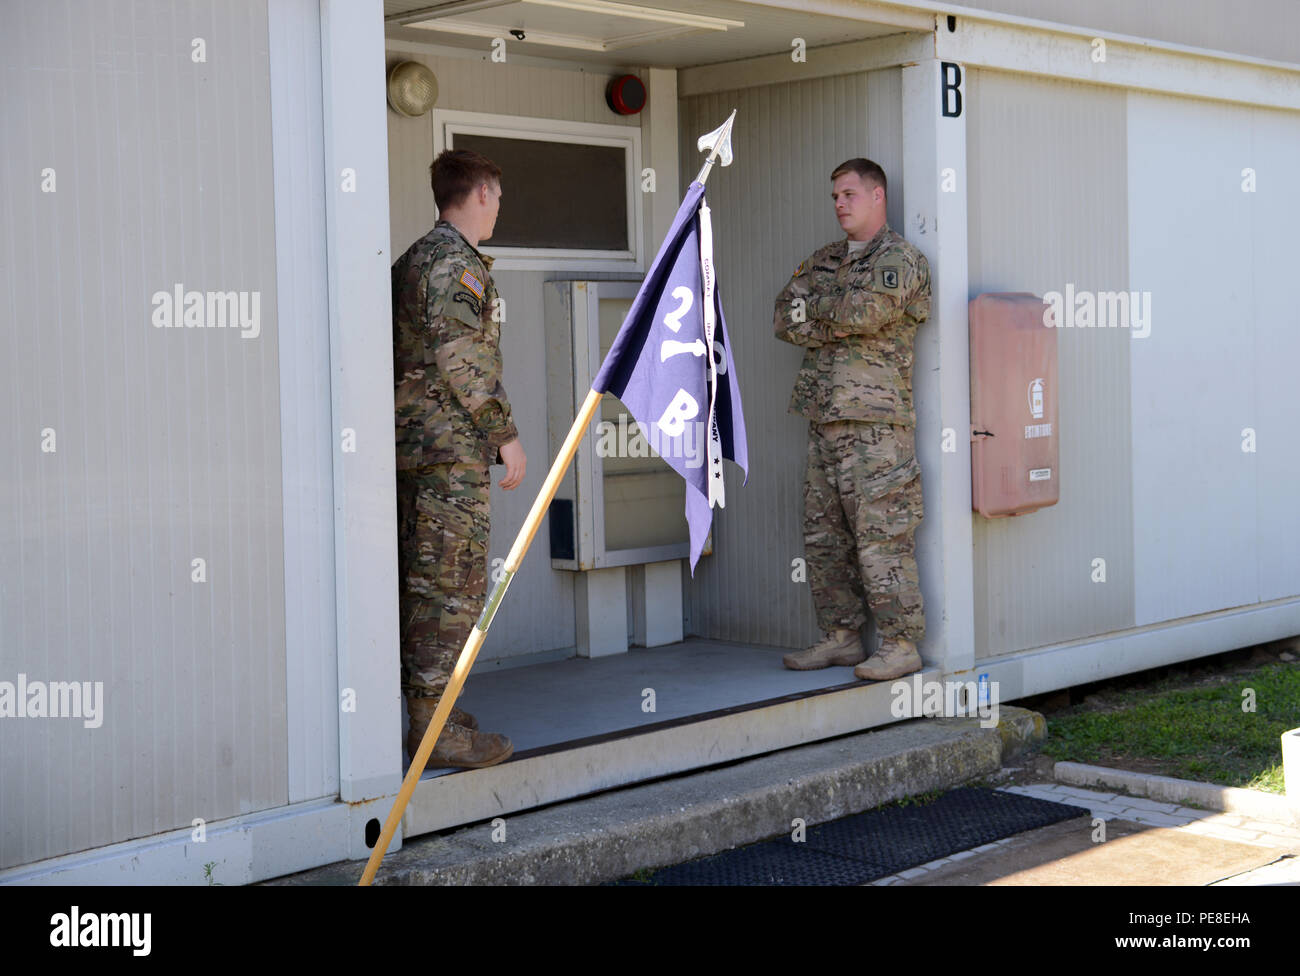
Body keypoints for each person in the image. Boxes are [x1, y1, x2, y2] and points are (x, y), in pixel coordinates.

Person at [391, 148, 526, 767]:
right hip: (446, 452)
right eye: (496, 195)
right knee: (450, 589)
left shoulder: (424, 257)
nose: (499, 206)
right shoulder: (452, 264)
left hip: (425, 448)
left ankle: (434, 711)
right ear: (477, 195)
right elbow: (462, 358)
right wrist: (504, 435)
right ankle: (435, 733)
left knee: (430, 585)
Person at [773, 158, 930, 681]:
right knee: (825, 538)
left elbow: (867, 313)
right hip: (823, 418)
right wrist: (833, 312)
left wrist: (821, 312)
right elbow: (783, 316)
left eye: (849, 194)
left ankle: (900, 643)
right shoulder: (824, 259)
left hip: (876, 426)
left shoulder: (901, 259)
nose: (839, 203)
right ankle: (841, 638)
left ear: (877, 196)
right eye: (835, 196)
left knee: (881, 534)